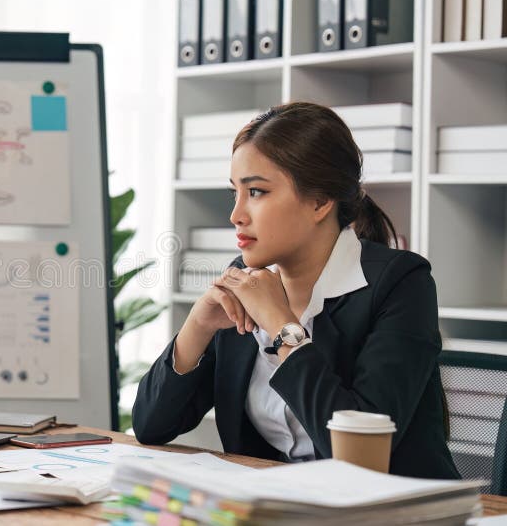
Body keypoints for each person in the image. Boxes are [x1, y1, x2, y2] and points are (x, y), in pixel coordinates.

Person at [132, 102, 460, 479]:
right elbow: (150, 426)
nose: (236, 214)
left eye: (256, 192)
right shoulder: (244, 279)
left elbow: (359, 459)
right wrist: (196, 328)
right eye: (234, 193)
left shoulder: (401, 284)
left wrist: (282, 327)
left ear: (320, 201)